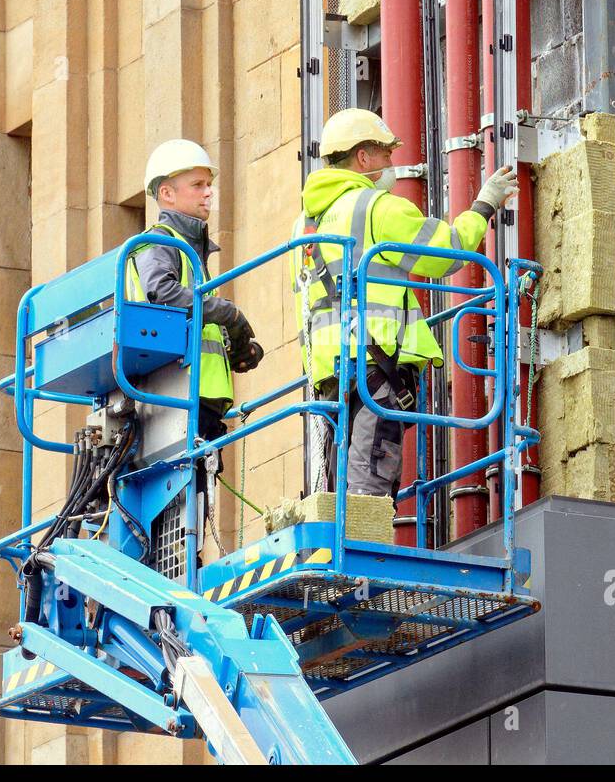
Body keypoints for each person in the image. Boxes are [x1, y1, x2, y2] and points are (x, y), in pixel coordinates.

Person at [292, 109, 518, 499]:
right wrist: (484, 205)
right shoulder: (375, 206)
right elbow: (446, 254)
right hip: (377, 367)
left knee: (338, 489)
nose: (392, 164)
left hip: (328, 377)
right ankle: (360, 553)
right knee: (367, 489)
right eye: (385, 154)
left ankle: (334, 551)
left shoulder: (305, 226)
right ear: (363, 158)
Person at [126, 139, 263, 488]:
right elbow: (164, 293)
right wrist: (229, 314)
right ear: (168, 193)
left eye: (209, 184)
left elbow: (197, 324)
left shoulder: (190, 254)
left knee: (195, 514)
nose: (208, 193)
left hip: (200, 399)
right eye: (198, 185)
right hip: (175, 395)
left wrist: (234, 347)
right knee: (182, 512)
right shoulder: (160, 242)